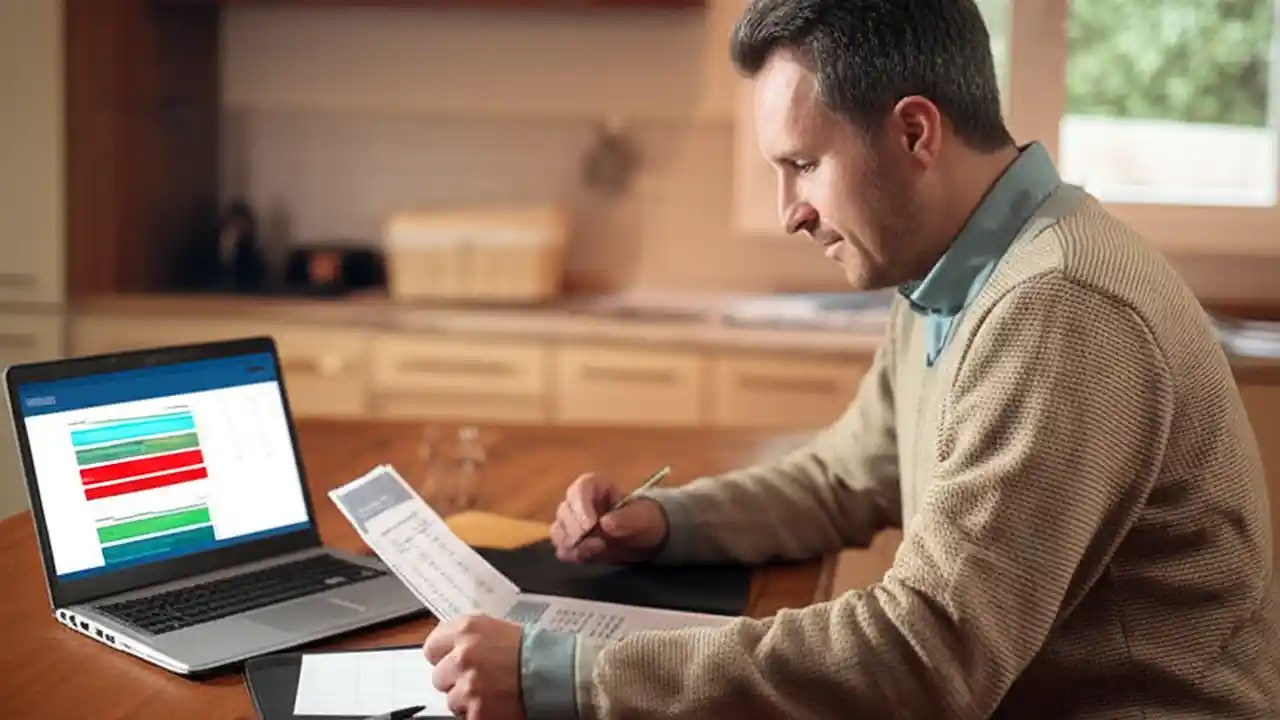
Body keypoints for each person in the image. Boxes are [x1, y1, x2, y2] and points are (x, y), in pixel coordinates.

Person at [423, 0, 1280, 717]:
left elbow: (924, 652)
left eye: (802, 164)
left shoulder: (1056, 308)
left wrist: (566, 678)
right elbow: (844, 478)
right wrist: (670, 524)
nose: (789, 210)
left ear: (914, 132)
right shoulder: (955, 271)